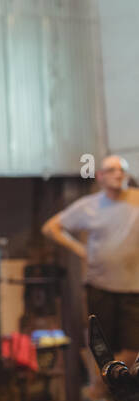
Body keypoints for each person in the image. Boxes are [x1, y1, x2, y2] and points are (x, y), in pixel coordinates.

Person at [42, 155, 139, 385]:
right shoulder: (90, 206)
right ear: (100, 176)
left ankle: (99, 391)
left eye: (122, 170)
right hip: (100, 286)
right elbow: (51, 228)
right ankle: (110, 397)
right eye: (112, 170)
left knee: (134, 348)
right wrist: (80, 249)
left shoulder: (137, 201)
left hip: (133, 288)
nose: (118, 174)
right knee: (103, 349)